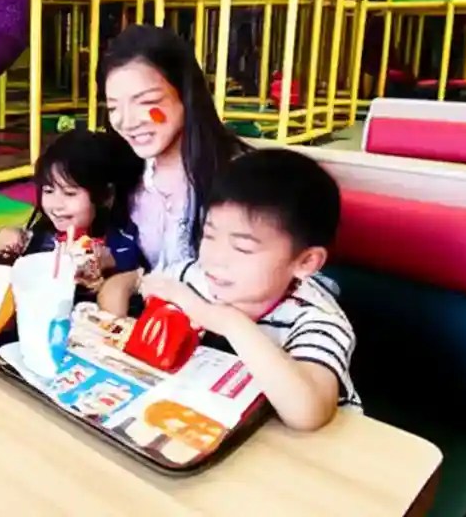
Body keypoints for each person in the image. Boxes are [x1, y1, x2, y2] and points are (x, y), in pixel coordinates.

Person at [143, 148, 359, 430]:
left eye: (243, 247)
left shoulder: (318, 321)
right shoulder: (196, 276)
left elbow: (308, 413)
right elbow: (135, 284)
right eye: (209, 235)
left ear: (305, 262)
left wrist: (228, 321)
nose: (214, 258)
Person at [95, 24, 248, 314]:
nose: (127, 122)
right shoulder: (125, 171)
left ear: (186, 94)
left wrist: (130, 283)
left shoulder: (238, 178)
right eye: (113, 107)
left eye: (148, 103)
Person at [0, 129, 144, 308]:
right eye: (48, 191)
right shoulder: (44, 235)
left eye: (69, 193)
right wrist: (6, 245)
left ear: (105, 196)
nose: (56, 205)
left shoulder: (119, 237)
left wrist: (109, 261)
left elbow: (132, 258)